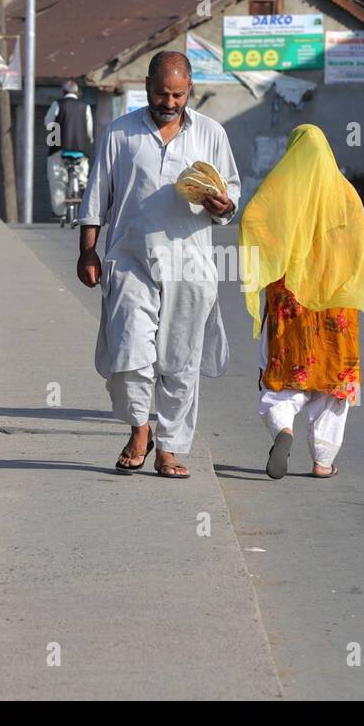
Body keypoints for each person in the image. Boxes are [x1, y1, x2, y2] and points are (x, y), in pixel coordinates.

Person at [76, 50, 240, 478]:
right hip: (130, 261)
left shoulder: (211, 134)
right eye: (162, 93)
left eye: (178, 95)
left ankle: (170, 447)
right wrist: (88, 250)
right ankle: (139, 428)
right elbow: (96, 198)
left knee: (180, 361)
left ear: (189, 92)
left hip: (190, 267)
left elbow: (230, 199)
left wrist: (223, 204)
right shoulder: (120, 134)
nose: (170, 102)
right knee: (130, 351)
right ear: (147, 87)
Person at [238, 124, 364, 480]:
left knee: (284, 380)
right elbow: (361, 251)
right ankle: (323, 461)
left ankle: (283, 429)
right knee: (333, 387)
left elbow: (252, 219)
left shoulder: (279, 192)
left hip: (291, 303)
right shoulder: (344, 194)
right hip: (336, 305)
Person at [45, 79, 93, 218]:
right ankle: (83, 182)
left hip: (59, 147)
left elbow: (48, 123)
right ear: (77, 92)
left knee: (56, 177)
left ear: (63, 91)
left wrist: (53, 136)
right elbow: (89, 131)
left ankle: (60, 212)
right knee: (83, 166)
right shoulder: (86, 106)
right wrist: (88, 142)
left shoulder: (57, 104)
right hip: (81, 149)